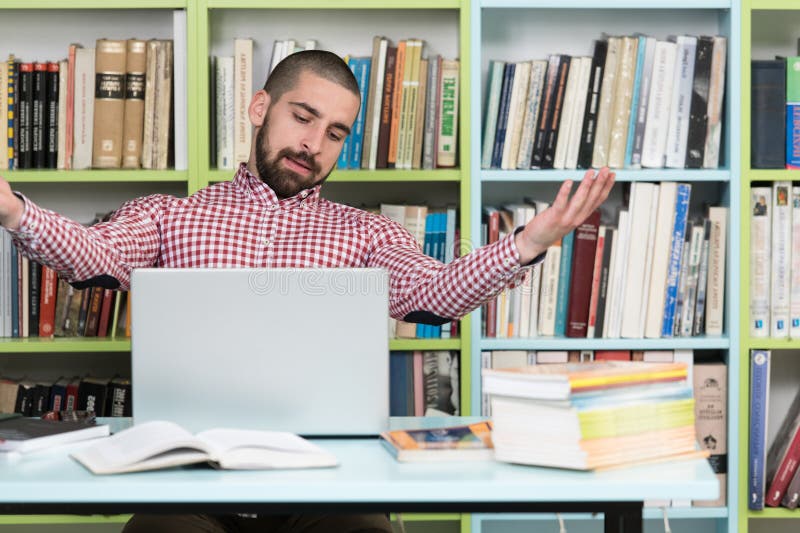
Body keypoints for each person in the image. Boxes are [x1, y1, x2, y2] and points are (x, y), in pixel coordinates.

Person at [0, 50, 614, 532]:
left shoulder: (368, 234)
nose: (313, 145)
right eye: (302, 117)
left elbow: (436, 291)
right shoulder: (169, 216)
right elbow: (95, 254)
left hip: (330, 485)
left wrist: (528, 243)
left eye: (336, 132)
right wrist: (12, 210)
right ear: (259, 107)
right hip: (191, 485)